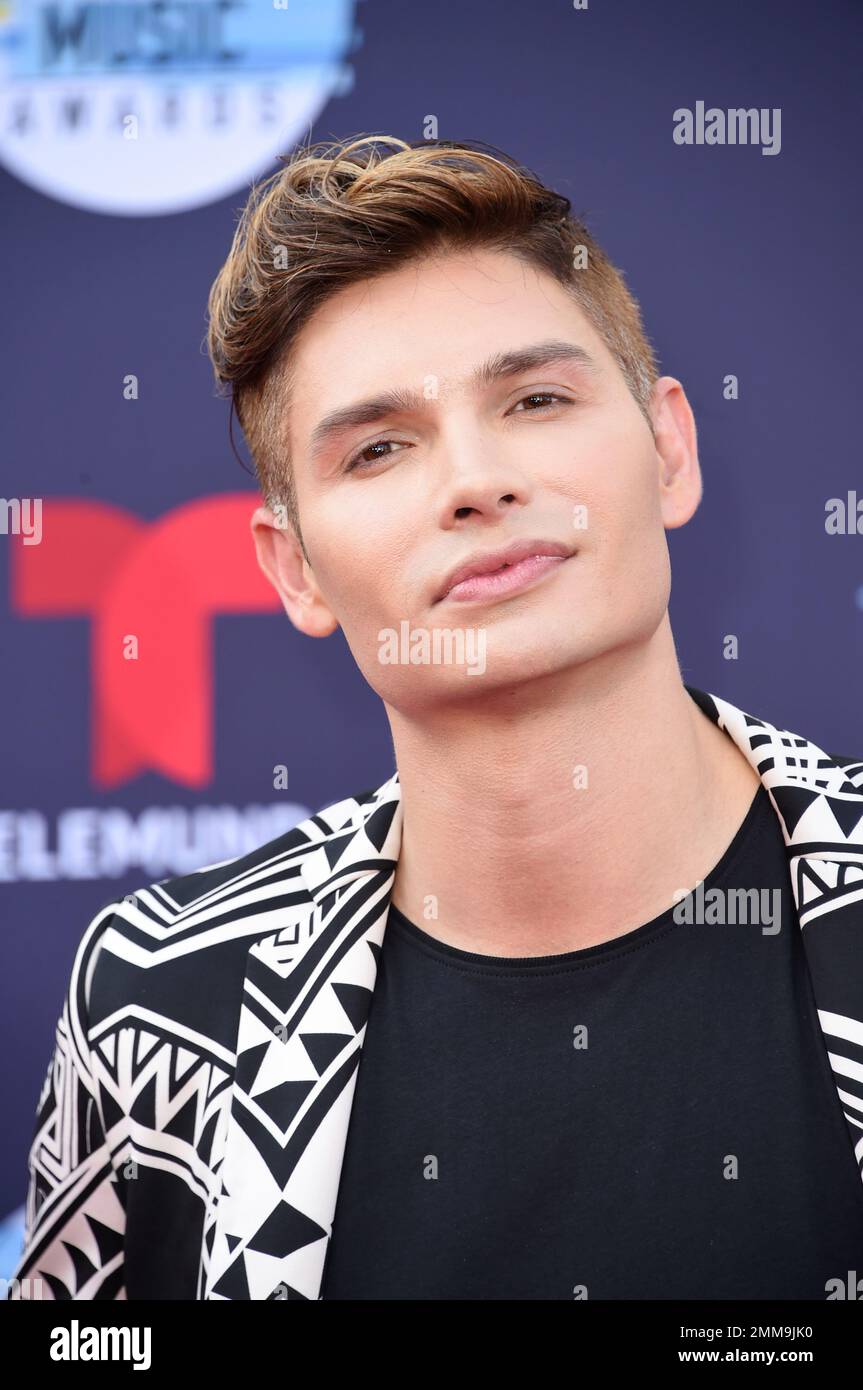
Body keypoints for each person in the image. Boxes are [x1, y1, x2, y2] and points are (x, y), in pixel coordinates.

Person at [8, 135, 863, 1302]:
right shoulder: (156, 998)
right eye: (379, 449)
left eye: (536, 397)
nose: (475, 478)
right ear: (293, 568)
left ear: (669, 446)